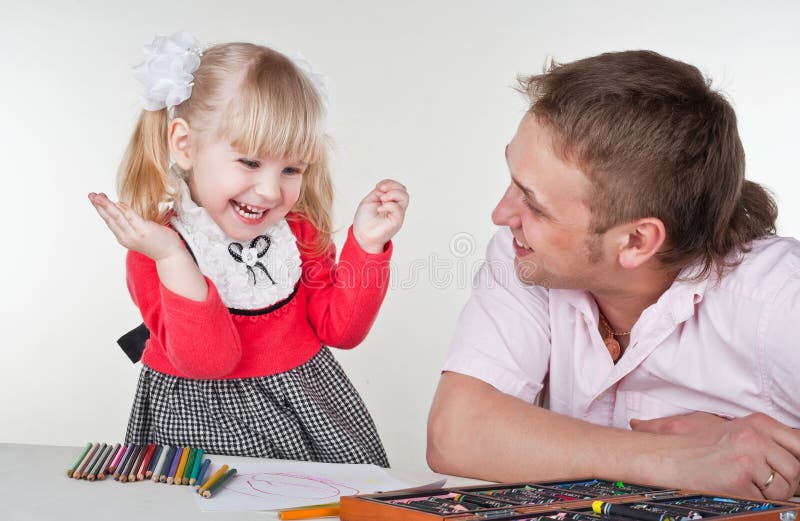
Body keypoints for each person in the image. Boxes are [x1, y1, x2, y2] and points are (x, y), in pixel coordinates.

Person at [427, 50, 800, 499]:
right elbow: (456, 431)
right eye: (512, 179)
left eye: (535, 204)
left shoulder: (779, 300)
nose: (501, 214)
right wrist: (675, 458)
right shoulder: (527, 258)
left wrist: (768, 465)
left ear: (637, 241)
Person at [89, 32, 409, 466]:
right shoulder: (155, 248)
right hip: (199, 423)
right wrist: (172, 258)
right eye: (250, 162)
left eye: (291, 169)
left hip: (306, 413)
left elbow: (341, 332)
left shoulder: (296, 233)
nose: (270, 191)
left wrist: (367, 245)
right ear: (185, 145)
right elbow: (209, 362)